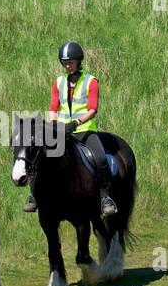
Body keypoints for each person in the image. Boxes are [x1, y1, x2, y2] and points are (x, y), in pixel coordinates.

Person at [25, 41, 117, 217]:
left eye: (71, 62)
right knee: (39, 154)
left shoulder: (91, 81)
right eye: (65, 62)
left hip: (84, 130)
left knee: (99, 157)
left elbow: (92, 109)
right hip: (61, 130)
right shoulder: (58, 82)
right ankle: (34, 195)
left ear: (78, 61)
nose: (68, 65)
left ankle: (106, 198)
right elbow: (53, 108)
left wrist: (76, 123)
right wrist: (53, 124)